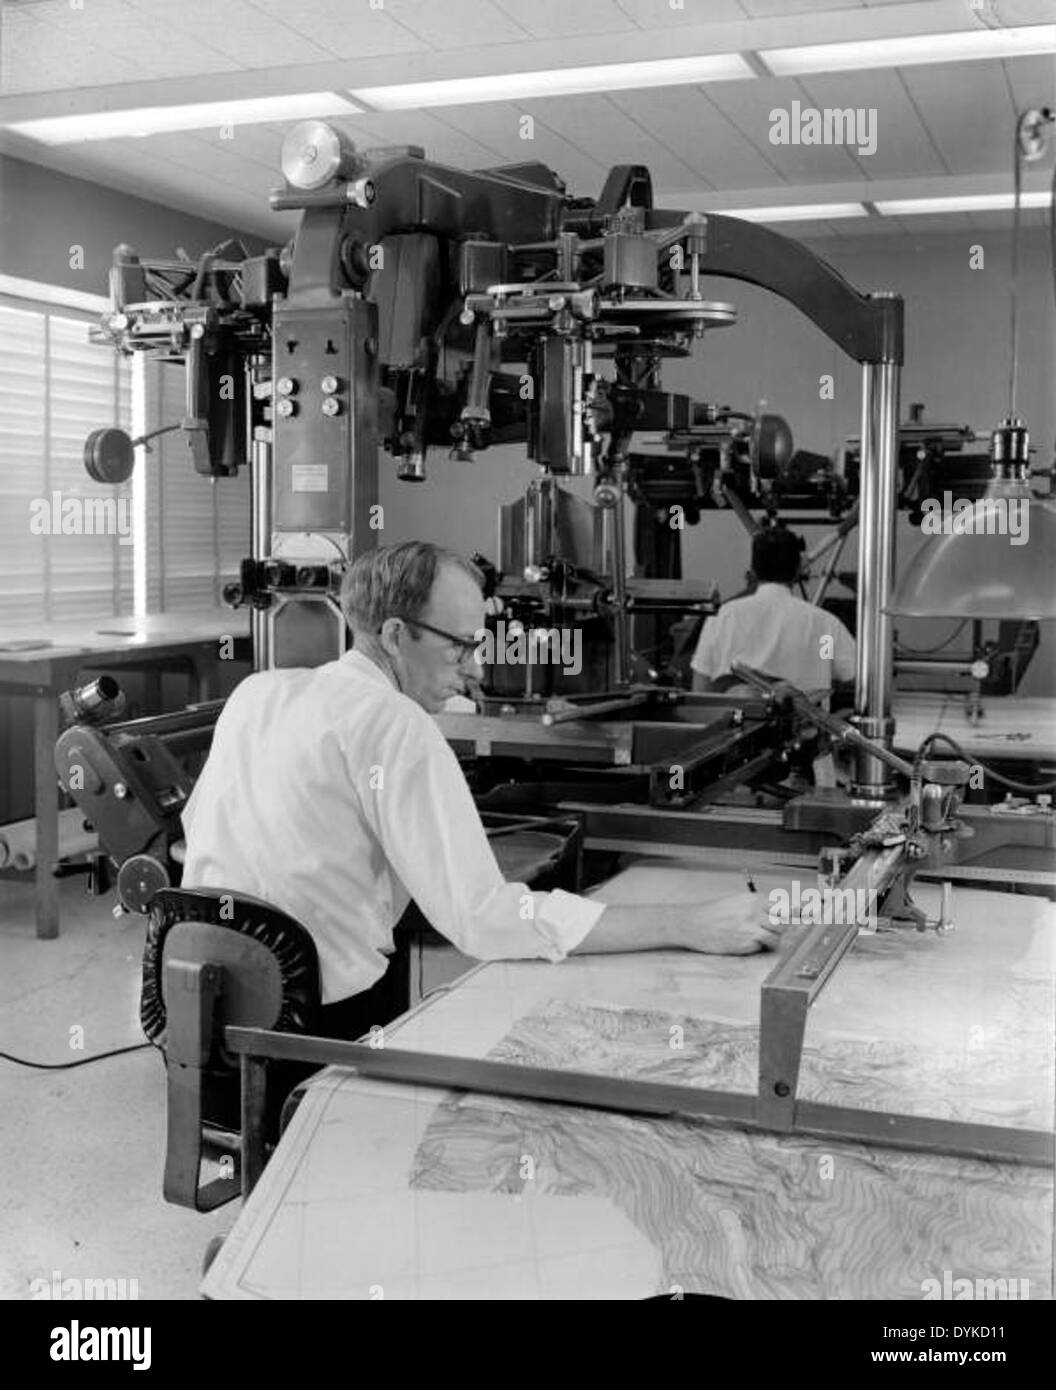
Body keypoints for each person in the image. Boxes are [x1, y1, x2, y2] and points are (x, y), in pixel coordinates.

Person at [181, 541, 778, 1040]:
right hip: (316, 1023)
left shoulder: (257, 692)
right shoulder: (394, 723)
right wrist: (691, 923)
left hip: (194, 1001)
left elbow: (199, 834)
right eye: (459, 646)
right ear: (394, 634)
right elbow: (484, 921)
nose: (474, 668)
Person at [691, 526, 856, 703]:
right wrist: (818, 662)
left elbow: (700, 688)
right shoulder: (824, 627)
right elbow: (848, 673)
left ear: (752, 571)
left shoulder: (724, 617)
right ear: (798, 568)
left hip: (737, 725)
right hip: (805, 726)